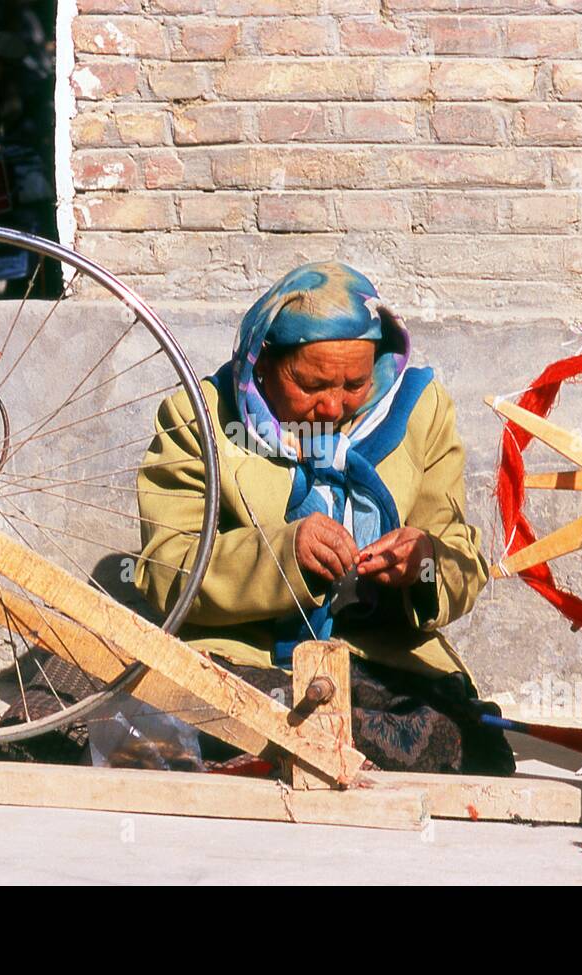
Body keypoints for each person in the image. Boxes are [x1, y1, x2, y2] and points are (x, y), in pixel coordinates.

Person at [134, 262, 514, 775]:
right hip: (246, 660)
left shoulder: (419, 412)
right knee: (157, 709)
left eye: (355, 384)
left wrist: (422, 564)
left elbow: (461, 563)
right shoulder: (201, 418)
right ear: (261, 362)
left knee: (454, 737)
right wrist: (283, 555)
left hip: (381, 665)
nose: (332, 407)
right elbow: (166, 570)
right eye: (310, 384)